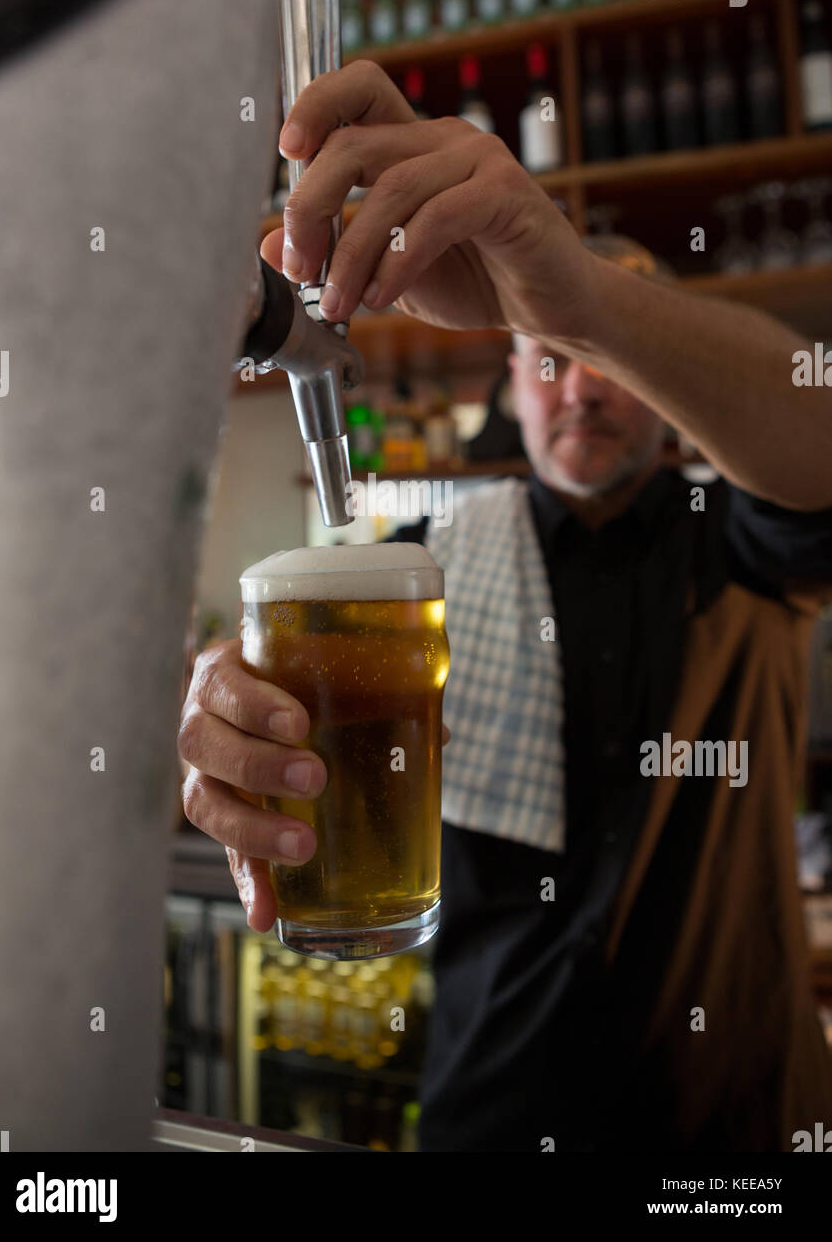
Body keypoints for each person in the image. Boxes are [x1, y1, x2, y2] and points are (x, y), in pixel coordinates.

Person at [178, 60, 832, 1151]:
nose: (580, 382)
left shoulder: (740, 537)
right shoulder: (418, 574)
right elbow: (302, 703)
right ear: (505, 392)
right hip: (496, 1107)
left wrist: (583, 302)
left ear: (663, 393)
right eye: (547, 358)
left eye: (607, 360)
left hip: (730, 1124)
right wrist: (229, 707)